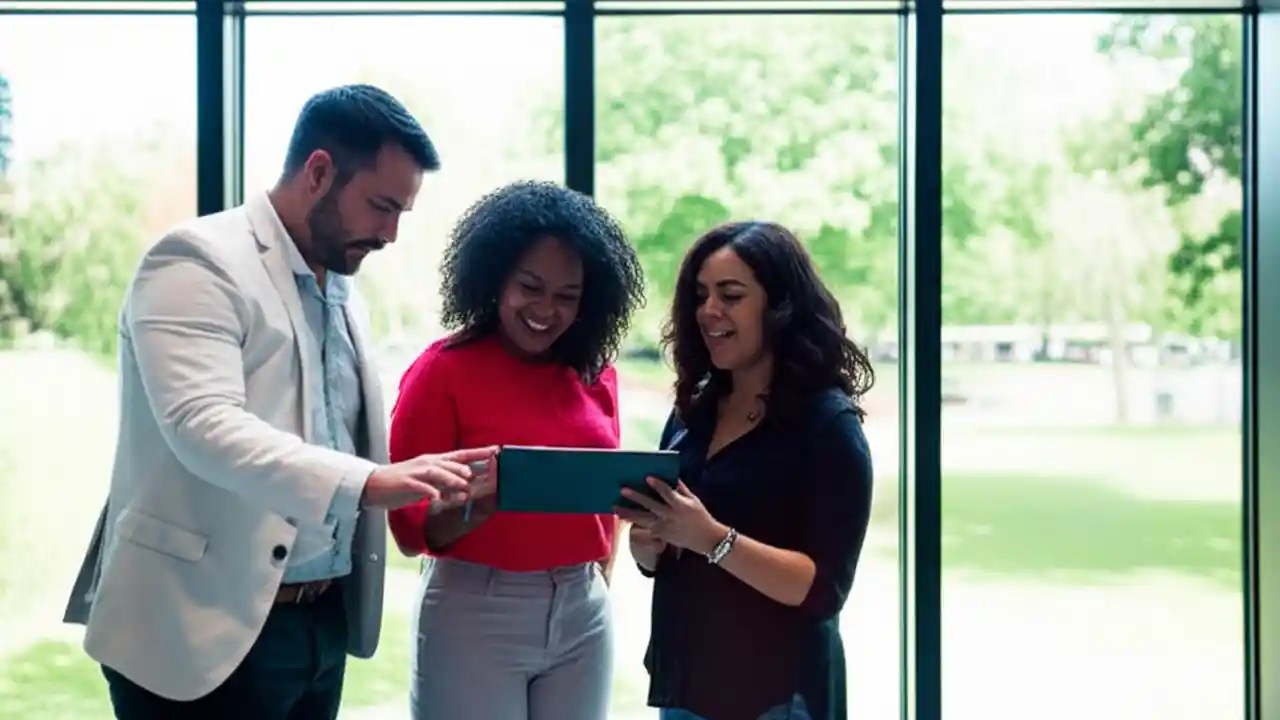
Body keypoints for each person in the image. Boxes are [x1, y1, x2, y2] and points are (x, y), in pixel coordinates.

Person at [61, 84, 499, 720]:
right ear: (319, 171)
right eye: (381, 206)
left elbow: (331, 431)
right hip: (196, 628)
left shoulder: (344, 289)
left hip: (320, 622)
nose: (392, 234)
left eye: (402, 212)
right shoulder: (195, 260)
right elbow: (203, 426)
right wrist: (372, 482)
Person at [386, 179, 645, 720]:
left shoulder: (595, 375)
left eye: (567, 297)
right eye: (531, 286)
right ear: (496, 278)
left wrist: (596, 580)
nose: (546, 310)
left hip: (581, 607)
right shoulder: (443, 371)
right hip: (474, 610)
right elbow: (411, 532)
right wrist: (483, 501)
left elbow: (601, 503)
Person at [615, 221, 875, 720]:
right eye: (701, 295)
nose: (709, 311)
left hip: (778, 694)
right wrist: (649, 547)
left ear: (780, 307)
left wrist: (712, 537)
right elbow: (675, 541)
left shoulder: (827, 426)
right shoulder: (695, 408)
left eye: (731, 295)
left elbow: (823, 589)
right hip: (687, 686)